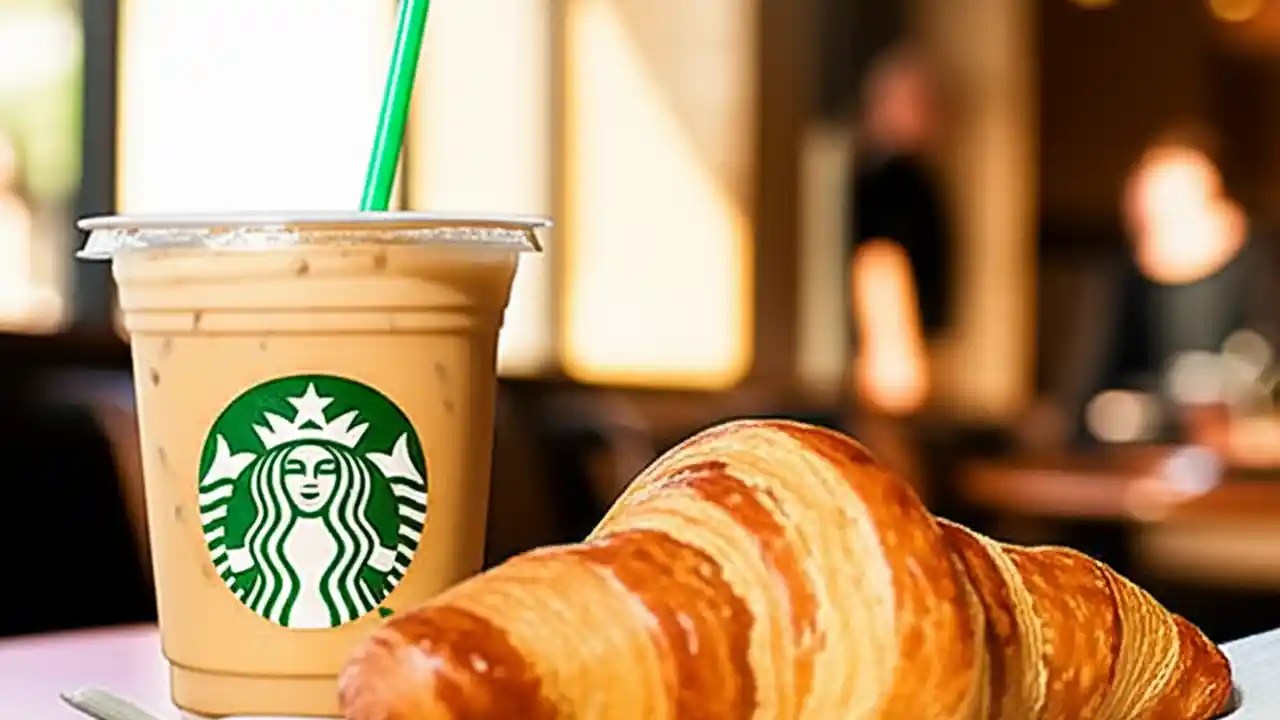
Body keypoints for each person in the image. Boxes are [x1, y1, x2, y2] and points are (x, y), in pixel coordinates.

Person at [1027, 125, 1280, 449]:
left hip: (1234, 438)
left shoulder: (1258, 262)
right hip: (1133, 439)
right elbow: (1085, 377)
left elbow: (1263, 351)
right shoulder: (1121, 276)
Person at [847, 44, 953, 417]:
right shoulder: (888, 181)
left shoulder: (916, 177)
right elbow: (879, 265)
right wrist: (894, 356)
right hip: (888, 363)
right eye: (918, 103)